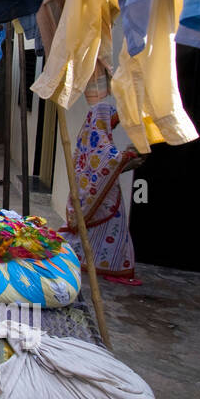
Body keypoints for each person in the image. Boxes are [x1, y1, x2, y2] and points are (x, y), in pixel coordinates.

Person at [64, 99, 142, 285]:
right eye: (112, 122)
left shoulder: (89, 137)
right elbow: (108, 160)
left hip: (100, 193)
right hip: (102, 197)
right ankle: (107, 263)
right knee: (109, 227)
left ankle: (99, 260)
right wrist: (127, 156)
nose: (114, 126)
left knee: (103, 230)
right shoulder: (99, 141)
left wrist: (125, 161)